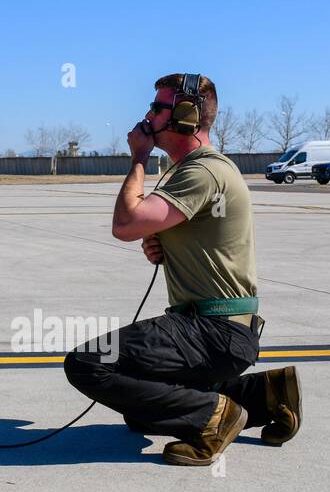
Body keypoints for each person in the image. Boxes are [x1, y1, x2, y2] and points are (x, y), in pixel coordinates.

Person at [63, 73, 301, 466]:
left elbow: (125, 224)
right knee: (141, 412)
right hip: (222, 328)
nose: (147, 115)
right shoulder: (198, 170)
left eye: (157, 108)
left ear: (187, 116)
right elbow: (157, 229)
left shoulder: (201, 171)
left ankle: (214, 417)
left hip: (213, 331)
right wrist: (162, 244)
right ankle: (266, 395)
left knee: (88, 364)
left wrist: (138, 157)